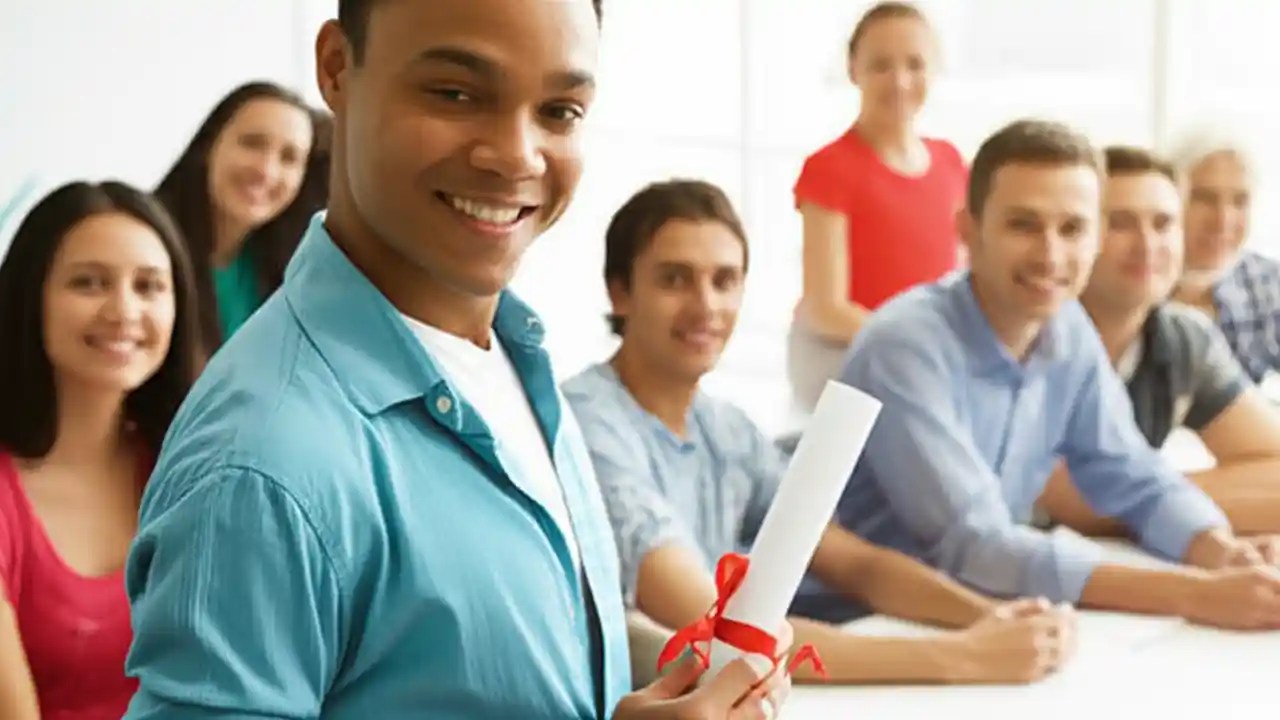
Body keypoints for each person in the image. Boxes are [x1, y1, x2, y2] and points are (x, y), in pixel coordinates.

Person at [122, 2, 789, 719]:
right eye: (456, 94)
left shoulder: (514, 351)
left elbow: (495, 643)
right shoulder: (262, 461)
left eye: (560, 111)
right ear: (338, 68)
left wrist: (678, 660)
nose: (517, 154)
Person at [565, 179, 1076, 685]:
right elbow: (724, 633)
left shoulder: (725, 428)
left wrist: (989, 618)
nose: (705, 306)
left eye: (724, 281)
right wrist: (964, 657)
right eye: (675, 280)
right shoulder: (589, 424)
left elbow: (856, 564)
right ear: (620, 292)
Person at [808, 119, 1280, 630]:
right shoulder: (903, 345)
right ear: (968, 230)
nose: (1051, 255)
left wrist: (1218, 549)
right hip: (854, 627)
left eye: (1072, 228)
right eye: (1024, 225)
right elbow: (976, 544)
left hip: (983, 618)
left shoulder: (1065, 328)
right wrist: (1193, 594)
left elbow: (1132, 474)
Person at [0, 181, 200, 719]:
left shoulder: (193, 468)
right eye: (88, 283)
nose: (123, 310)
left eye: (149, 286)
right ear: (29, 296)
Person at [1039, 146, 1280, 536]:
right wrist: (1167, 501)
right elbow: (1072, 502)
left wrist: (1151, 499)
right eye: (1120, 223)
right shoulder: (1029, 335)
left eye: (1164, 223)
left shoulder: (1183, 337)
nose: (1147, 245)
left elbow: (1275, 472)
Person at [786, 1, 968, 413]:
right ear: (854, 70)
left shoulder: (952, 163)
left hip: (926, 362)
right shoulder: (829, 168)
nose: (900, 81)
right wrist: (915, 346)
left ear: (934, 69)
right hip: (843, 357)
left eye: (915, 64)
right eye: (881, 65)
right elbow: (825, 308)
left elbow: (964, 279)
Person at [155, 81, 329, 351]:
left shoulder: (289, 269)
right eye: (252, 144)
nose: (266, 171)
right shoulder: (147, 247)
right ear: (209, 145)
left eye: (289, 157)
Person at [1167, 126, 1280, 385]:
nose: (1223, 220)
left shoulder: (1269, 284)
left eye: (1239, 201)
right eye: (1204, 198)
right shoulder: (1135, 282)